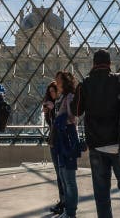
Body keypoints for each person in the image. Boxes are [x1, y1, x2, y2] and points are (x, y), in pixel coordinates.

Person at [71, 49, 120, 218]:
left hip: (97, 146)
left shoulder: (85, 84)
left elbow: (76, 110)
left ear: (93, 64)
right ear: (109, 63)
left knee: (102, 195)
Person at [53, 71, 80, 218]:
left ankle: (71, 212)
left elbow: (74, 118)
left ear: (65, 81)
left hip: (67, 140)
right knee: (63, 178)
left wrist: (61, 118)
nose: (56, 82)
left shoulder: (69, 97)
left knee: (69, 180)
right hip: (61, 140)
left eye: (58, 80)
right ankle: (68, 210)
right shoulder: (62, 97)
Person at [44, 80, 67, 214]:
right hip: (53, 142)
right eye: (50, 92)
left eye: (54, 91)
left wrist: (54, 109)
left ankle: (65, 202)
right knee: (59, 174)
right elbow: (51, 124)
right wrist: (47, 112)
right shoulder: (52, 107)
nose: (52, 94)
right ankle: (62, 200)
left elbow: (66, 119)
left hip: (61, 143)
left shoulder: (61, 104)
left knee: (62, 175)